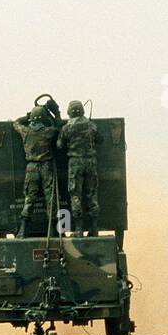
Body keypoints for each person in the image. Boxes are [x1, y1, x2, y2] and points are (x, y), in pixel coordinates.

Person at [12, 105, 59, 238]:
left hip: (31, 167)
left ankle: (22, 230)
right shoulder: (48, 131)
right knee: (50, 198)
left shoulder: (25, 131)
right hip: (46, 167)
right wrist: (52, 115)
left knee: (29, 199)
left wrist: (27, 117)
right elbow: (58, 127)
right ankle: (53, 231)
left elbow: (16, 123)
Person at [58, 100, 102, 237]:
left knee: (75, 195)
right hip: (90, 162)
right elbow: (100, 139)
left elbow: (59, 145)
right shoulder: (91, 125)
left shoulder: (67, 128)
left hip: (75, 163)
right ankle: (94, 228)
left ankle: (78, 229)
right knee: (92, 194)